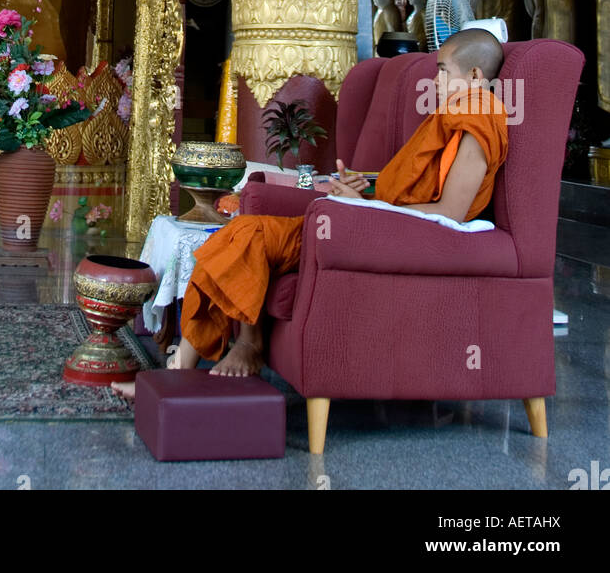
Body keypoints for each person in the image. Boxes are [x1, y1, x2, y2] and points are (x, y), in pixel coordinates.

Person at [115, 29, 507, 397]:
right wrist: (360, 193)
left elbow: (450, 214)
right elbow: (406, 190)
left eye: (442, 71)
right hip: (373, 222)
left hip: (394, 236)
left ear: (474, 74)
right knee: (244, 231)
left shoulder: (477, 124)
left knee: (250, 235)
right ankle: (202, 361)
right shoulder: (450, 119)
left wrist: (366, 208)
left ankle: (213, 360)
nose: (434, 81)